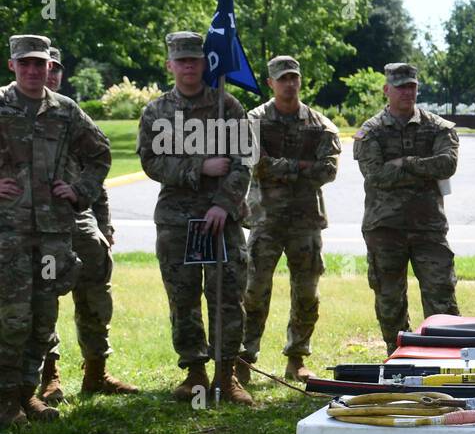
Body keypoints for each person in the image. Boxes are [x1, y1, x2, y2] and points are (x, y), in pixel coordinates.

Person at [0, 34, 111, 428]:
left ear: (51, 67)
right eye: (25, 63)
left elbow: (100, 153)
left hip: (52, 236)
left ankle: (27, 393)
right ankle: (5, 402)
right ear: (12, 65)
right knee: (12, 320)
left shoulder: (65, 111)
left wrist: (79, 191)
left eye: (40, 64)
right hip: (8, 234)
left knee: (43, 320)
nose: (33, 71)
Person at [137, 31, 254, 405]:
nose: (189, 66)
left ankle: (227, 373)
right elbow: (151, 161)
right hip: (176, 219)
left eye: (195, 59)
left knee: (227, 295)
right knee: (183, 297)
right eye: (181, 60)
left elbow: (243, 161)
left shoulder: (228, 107)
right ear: (170, 64)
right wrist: (198, 166)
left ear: (206, 63)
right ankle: (195, 374)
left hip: (222, 219)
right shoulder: (156, 112)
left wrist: (223, 202)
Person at [37, 46, 137, 402]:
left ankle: (96, 372)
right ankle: (48, 374)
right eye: (38, 66)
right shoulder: (13, 108)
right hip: (29, 222)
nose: (49, 74)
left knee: (95, 291)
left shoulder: (69, 113)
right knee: (43, 296)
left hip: (76, 217)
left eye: (54, 68)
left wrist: (104, 225)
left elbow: (98, 173)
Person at [238, 55, 340, 383]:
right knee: (254, 290)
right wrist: (300, 166)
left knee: (307, 292)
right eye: (282, 79)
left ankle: (297, 356)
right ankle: (246, 356)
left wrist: (279, 166)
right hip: (265, 218)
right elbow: (253, 163)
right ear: (270, 83)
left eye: (294, 77)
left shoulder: (319, 124)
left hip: (305, 221)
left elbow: (328, 170)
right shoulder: (253, 121)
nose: (289, 84)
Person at [354, 62, 459, 354]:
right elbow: (376, 175)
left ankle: (445, 355)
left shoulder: (438, 127)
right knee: (390, 299)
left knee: (441, 295)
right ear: (387, 90)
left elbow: (447, 164)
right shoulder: (371, 131)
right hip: (385, 229)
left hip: (429, 229)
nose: (406, 92)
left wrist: (405, 162)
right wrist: (423, 167)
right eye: (400, 87)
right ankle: (397, 353)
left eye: (411, 86)